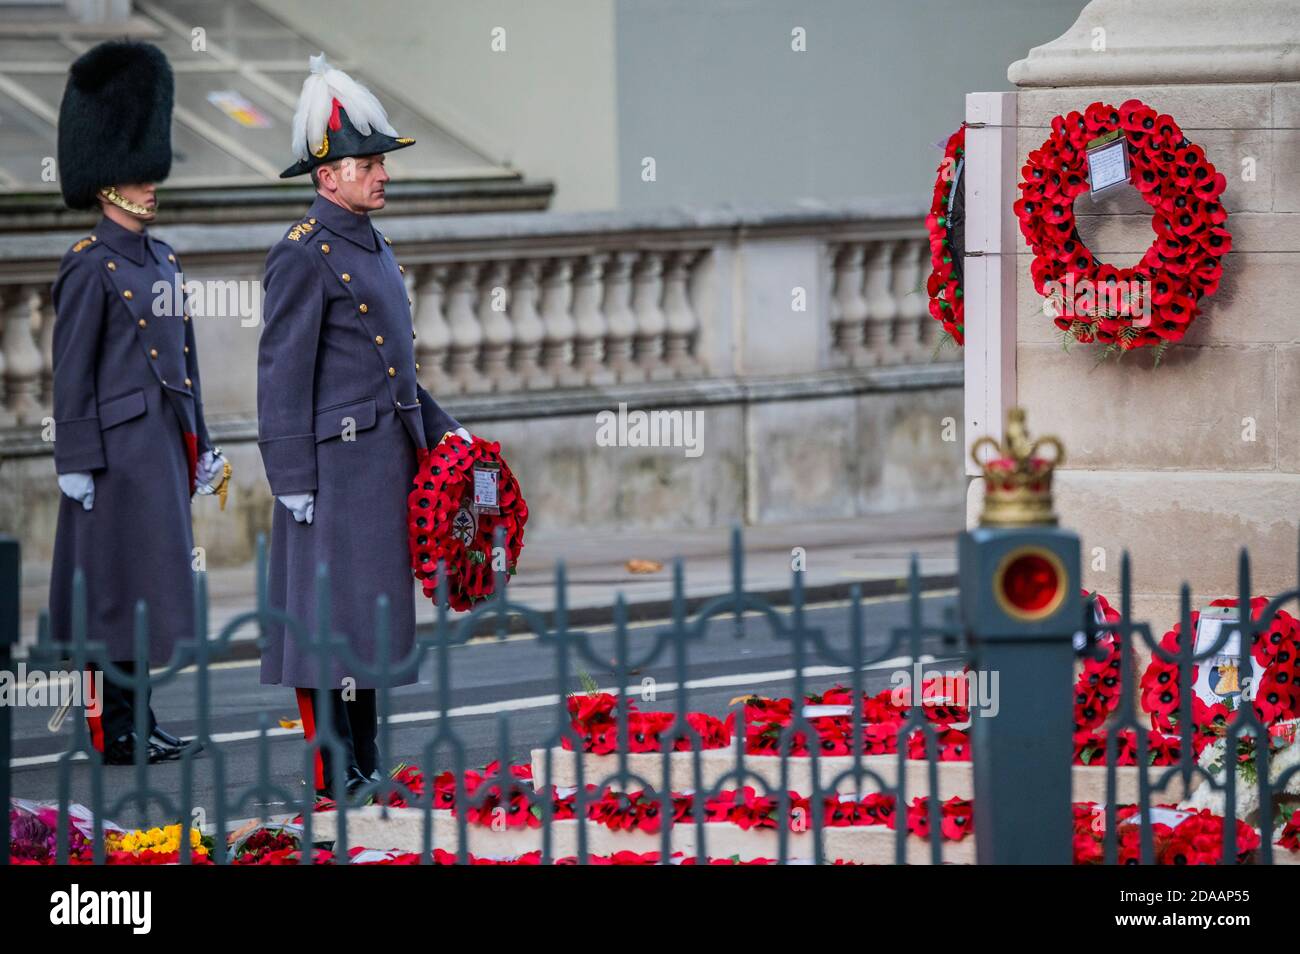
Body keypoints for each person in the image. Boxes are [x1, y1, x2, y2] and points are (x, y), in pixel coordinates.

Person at [258, 54, 470, 800]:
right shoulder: (303, 254)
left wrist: (446, 432)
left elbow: (396, 370)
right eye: (367, 162)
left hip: (381, 467)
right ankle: (330, 772)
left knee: (367, 628)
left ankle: (367, 759)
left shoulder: (372, 243)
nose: (381, 173)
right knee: (325, 631)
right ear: (327, 177)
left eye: (381, 161)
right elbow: (281, 374)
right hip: (330, 471)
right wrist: (290, 480)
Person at [49, 40, 227, 764]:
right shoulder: (88, 267)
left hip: (157, 449)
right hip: (112, 458)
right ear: (106, 184)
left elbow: (182, 366)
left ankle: (140, 717)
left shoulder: (163, 259)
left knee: (148, 594)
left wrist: (203, 442)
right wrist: (76, 459)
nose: (152, 184)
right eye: (137, 174)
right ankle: (110, 727)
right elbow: (71, 374)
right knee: (111, 600)